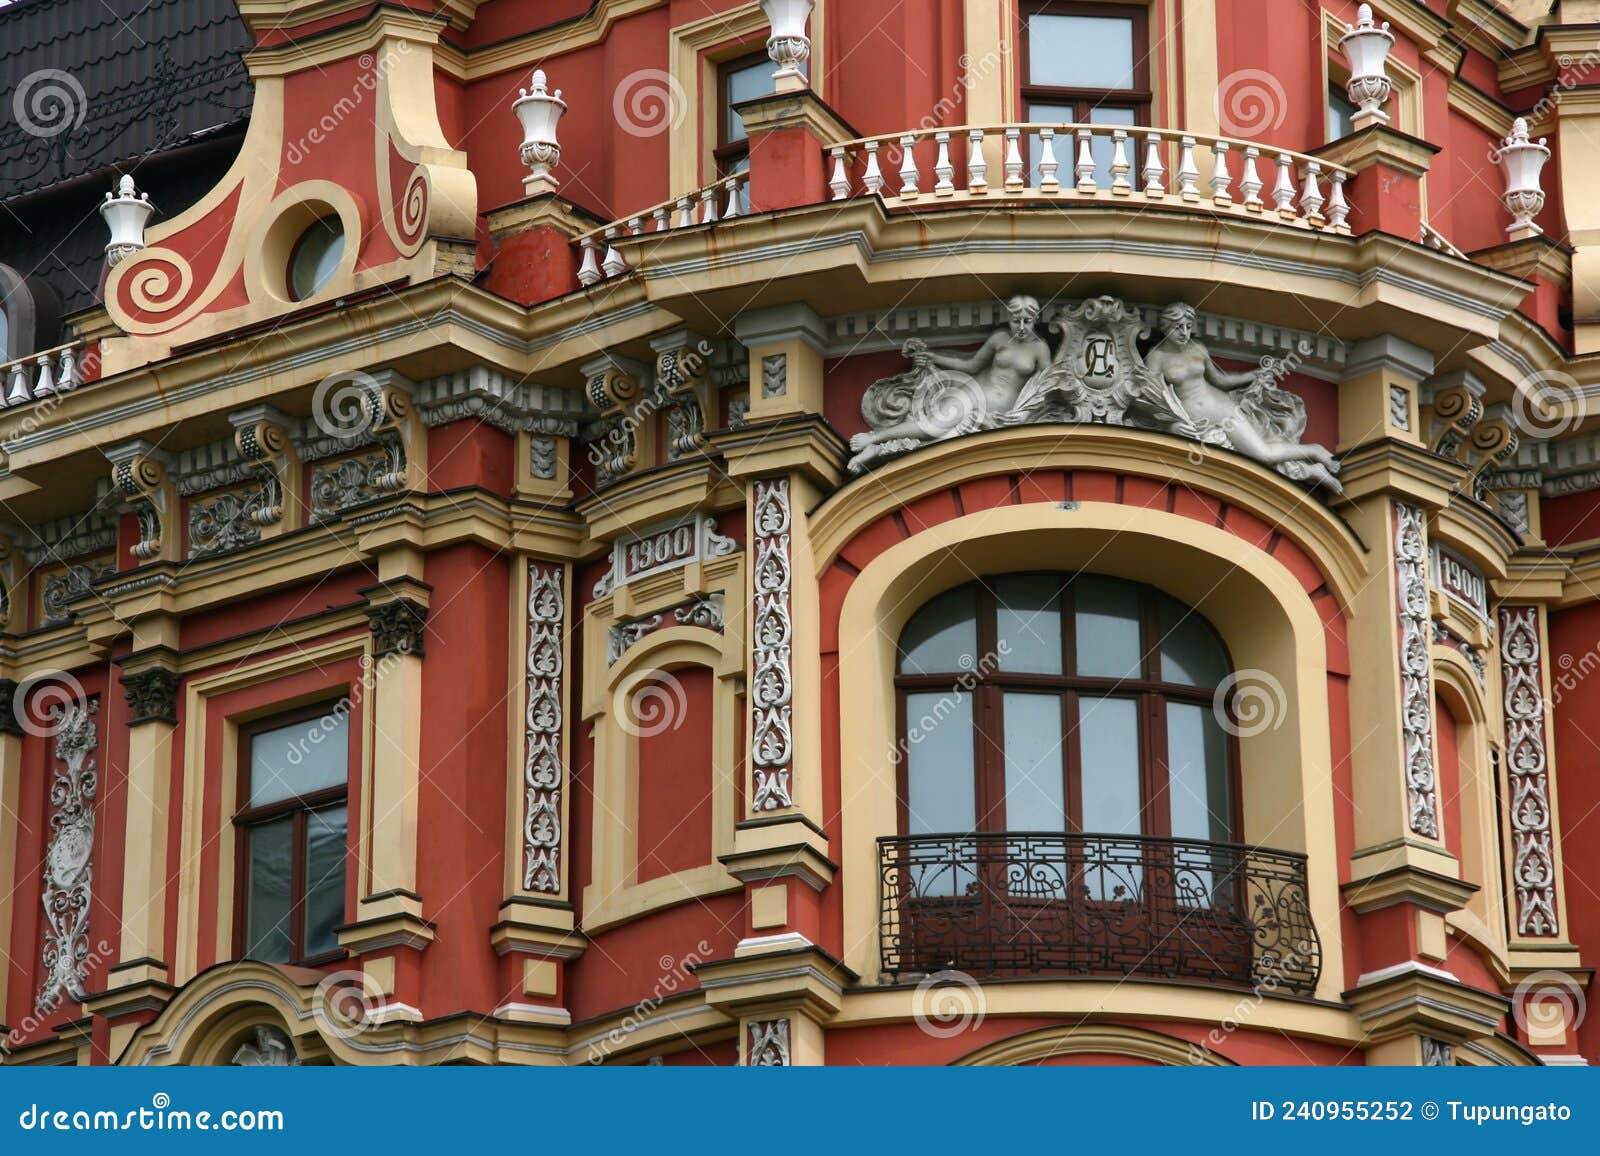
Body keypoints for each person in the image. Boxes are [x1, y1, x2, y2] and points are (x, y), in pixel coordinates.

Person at [1142, 303, 1342, 492]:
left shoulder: (1197, 348)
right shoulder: (1156, 358)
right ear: (1166, 327)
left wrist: (1252, 375)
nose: (1184, 333)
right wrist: (1173, 426)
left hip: (1222, 408)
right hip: (1196, 424)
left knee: (1263, 453)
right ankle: (1312, 471)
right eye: (1178, 328)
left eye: (1187, 327)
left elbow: (1219, 380)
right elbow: (1152, 399)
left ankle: (1316, 451)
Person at [847, 295, 1052, 464]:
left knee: (939, 444)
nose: (1022, 327)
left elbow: (1045, 389)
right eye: (1016, 321)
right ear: (1009, 318)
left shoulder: (1040, 349)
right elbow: (971, 365)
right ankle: (875, 437)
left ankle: (878, 450)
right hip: (973, 396)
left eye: (1028, 321)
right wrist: (933, 357)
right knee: (932, 427)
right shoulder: (999, 338)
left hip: (1001, 416)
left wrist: (1025, 415)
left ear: (1036, 319)